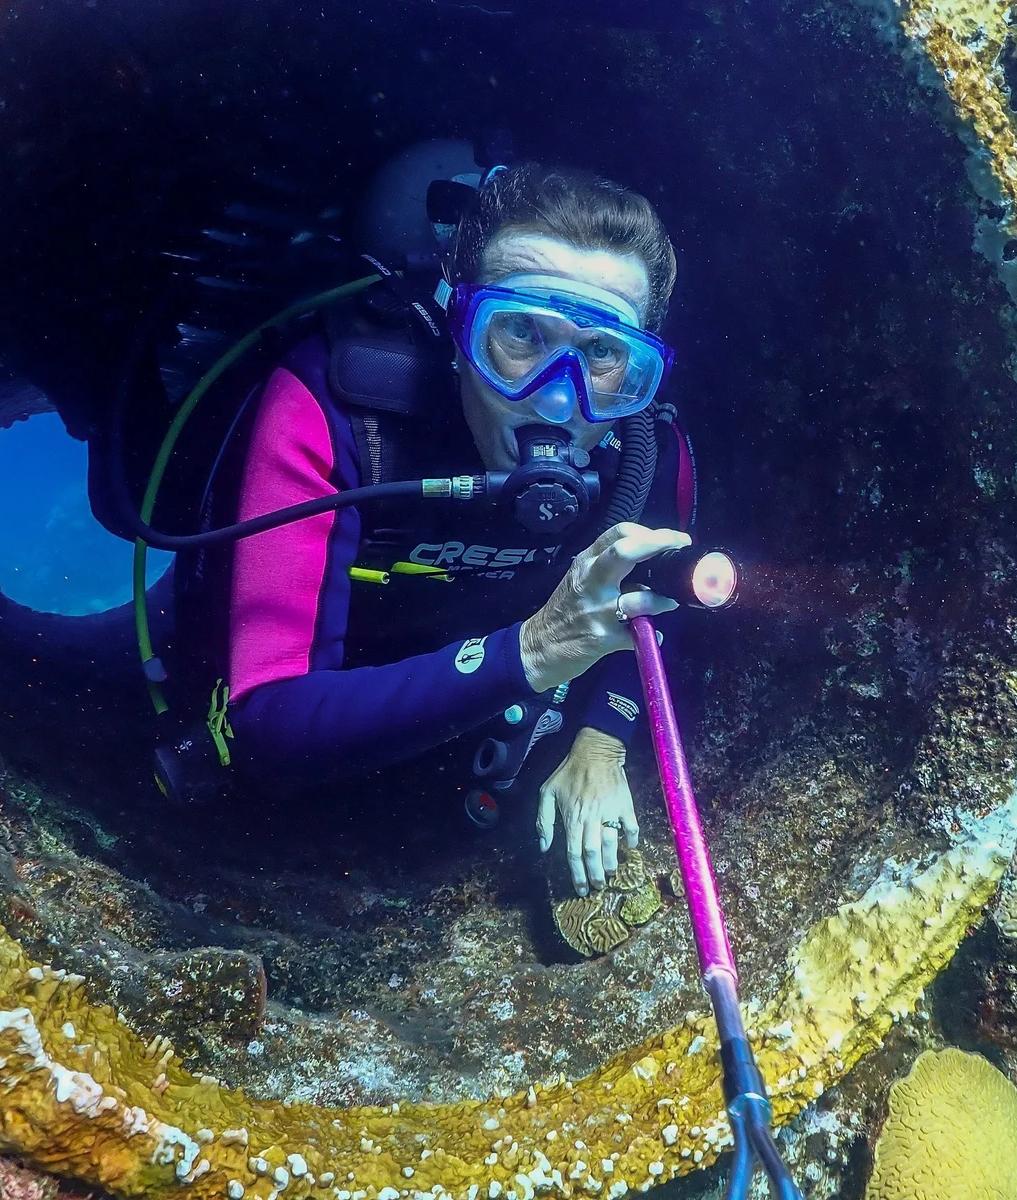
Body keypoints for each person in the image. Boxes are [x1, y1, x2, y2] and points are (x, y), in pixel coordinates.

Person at [224, 163, 697, 898]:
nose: (555, 394)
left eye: (602, 354)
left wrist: (601, 742)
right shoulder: (339, 408)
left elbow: (647, 612)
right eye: (518, 333)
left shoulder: (643, 457)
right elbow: (266, 730)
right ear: (455, 323)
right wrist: (533, 652)